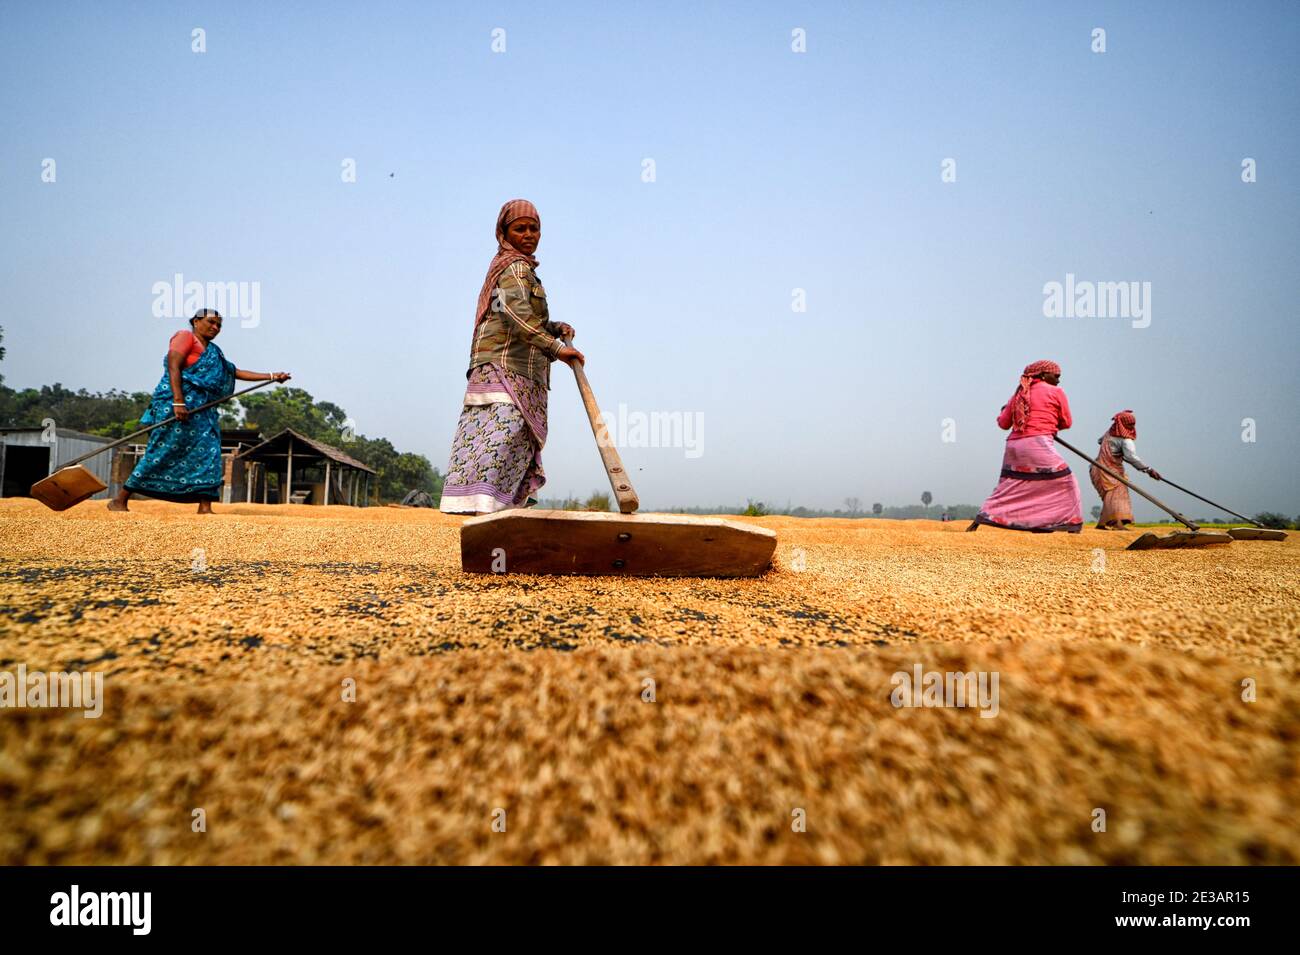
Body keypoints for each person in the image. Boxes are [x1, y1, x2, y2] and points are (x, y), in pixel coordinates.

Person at [439, 199, 583, 515]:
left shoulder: (525, 271)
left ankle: (501, 511)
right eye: (520, 228)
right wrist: (557, 349)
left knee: (518, 439)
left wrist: (555, 327)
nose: (529, 234)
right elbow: (517, 317)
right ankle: (483, 510)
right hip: (501, 369)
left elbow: (529, 319)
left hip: (522, 370)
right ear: (504, 233)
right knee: (499, 435)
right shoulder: (513, 268)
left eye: (534, 228)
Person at [109, 310, 290, 514]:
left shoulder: (215, 352)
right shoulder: (184, 337)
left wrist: (272, 376)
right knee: (162, 451)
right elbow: (173, 366)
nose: (215, 328)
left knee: (210, 452)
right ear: (196, 321)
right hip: (175, 406)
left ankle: (205, 506)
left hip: (202, 413)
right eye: (211, 322)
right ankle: (120, 500)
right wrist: (178, 402)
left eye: (219, 325)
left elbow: (235, 372)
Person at [967, 360, 1083, 533]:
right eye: (1056, 376)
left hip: (1014, 446)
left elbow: (1003, 423)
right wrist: (1049, 423)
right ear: (1043, 375)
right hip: (1038, 443)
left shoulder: (1019, 394)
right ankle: (1070, 524)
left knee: (1011, 484)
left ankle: (981, 518)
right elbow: (1067, 422)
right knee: (1067, 481)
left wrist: (1006, 410)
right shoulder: (1056, 392)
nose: (1059, 380)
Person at [1089, 410, 1161, 529]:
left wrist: (1115, 451)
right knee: (1118, 495)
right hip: (1109, 471)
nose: (1132, 427)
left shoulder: (1109, 433)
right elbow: (1131, 457)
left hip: (1096, 468)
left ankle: (1103, 523)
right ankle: (1118, 523)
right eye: (1130, 425)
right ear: (1123, 425)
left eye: (1133, 425)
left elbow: (1099, 441)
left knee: (1109, 496)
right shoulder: (1126, 441)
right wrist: (1148, 470)